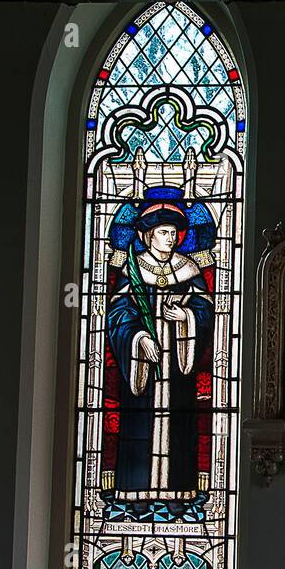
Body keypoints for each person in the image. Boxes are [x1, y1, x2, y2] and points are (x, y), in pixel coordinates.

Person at [105, 201, 212, 522]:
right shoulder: (133, 270)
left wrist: (186, 316)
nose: (170, 238)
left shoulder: (188, 269)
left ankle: (179, 493)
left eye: (174, 233)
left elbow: (206, 311)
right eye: (163, 232)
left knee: (179, 422)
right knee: (138, 421)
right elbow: (118, 314)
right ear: (147, 236)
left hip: (178, 366)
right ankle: (136, 492)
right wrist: (140, 338)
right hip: (144, 362)